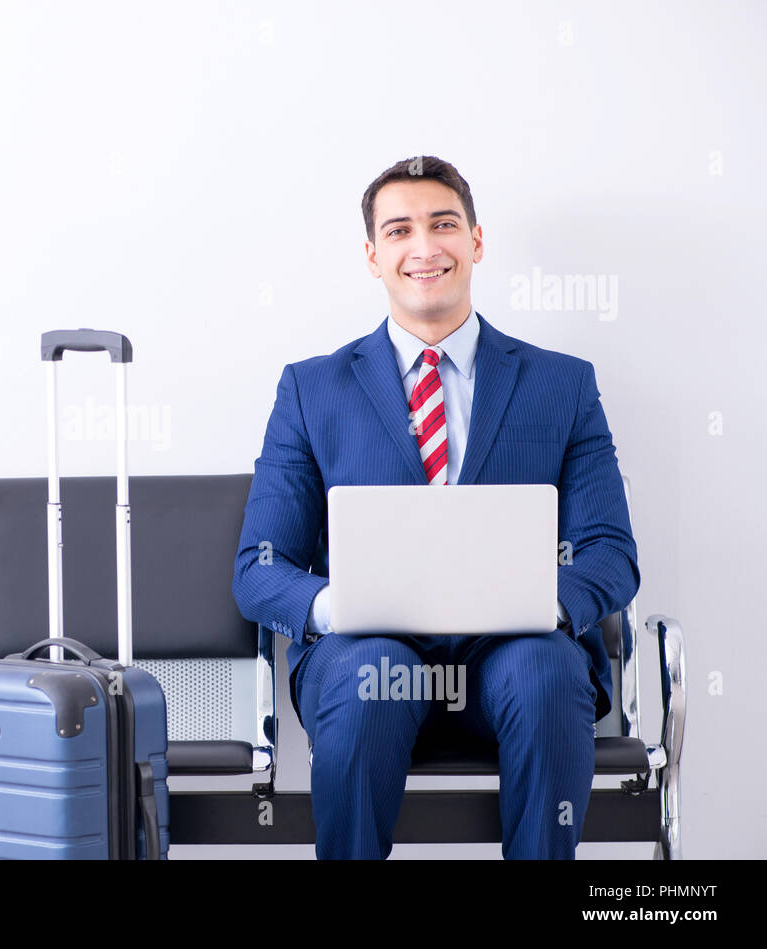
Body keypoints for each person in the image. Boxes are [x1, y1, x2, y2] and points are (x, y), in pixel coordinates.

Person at [231, 155, 640, 859]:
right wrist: (343, 605)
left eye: (443, 224)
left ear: (476, 241)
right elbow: (259, 569)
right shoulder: (311, 390)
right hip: (369, 657)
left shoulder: (563, 385)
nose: (424, 247)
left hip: (512, 657)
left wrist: (542, 602)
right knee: (367, 676)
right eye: (400, 230)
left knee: (544, 670)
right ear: (374, 256)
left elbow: (611, 551)